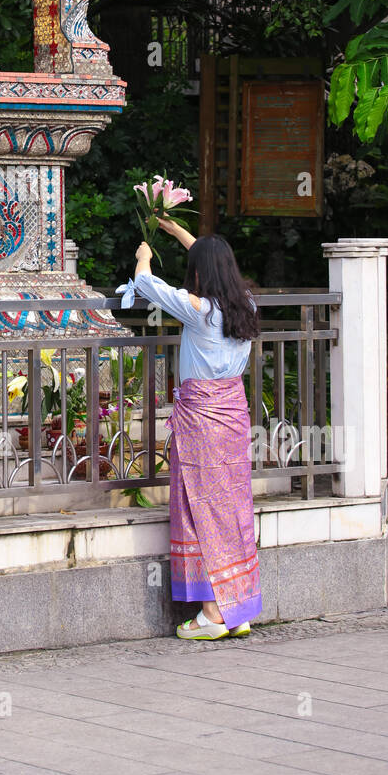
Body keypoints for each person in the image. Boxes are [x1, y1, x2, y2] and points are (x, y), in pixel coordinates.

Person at [131, 220, 261, 641]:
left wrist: (144, 255)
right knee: (232, 509)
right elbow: (214, 262)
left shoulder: (198, 309)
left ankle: (210, 614)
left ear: (202, 272)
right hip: (233, 415)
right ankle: (235, 607)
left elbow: (147, 285)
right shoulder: (247, 305)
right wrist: (178, 233)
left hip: (202, 420)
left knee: (201, 508)